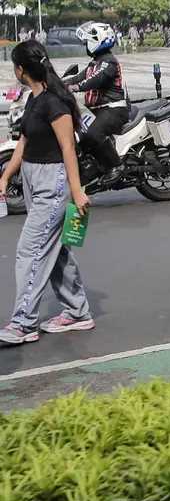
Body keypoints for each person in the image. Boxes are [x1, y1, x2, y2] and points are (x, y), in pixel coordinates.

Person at [0, 41, 94, 345]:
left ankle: (23, 323)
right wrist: (5, 177)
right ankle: (78, 311)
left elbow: (68, 148)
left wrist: (77, 192)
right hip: (32, 180)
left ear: (20, 69)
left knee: (30, 250)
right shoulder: (34, 99)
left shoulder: (55, 102)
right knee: (55, 251)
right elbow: (24, 143)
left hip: (52, 185)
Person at [63, 22, 126, 184]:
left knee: (93, 134)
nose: (85, 46)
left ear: (97, 41)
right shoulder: (95, 62)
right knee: (82, 140)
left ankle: (116, 165)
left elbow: (96, 78)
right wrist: (57, 83)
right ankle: (97, 167)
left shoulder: (108, 62)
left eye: (87, 42)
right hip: (97, 110)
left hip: (113, 109)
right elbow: (79, 77)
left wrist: (76, 87)